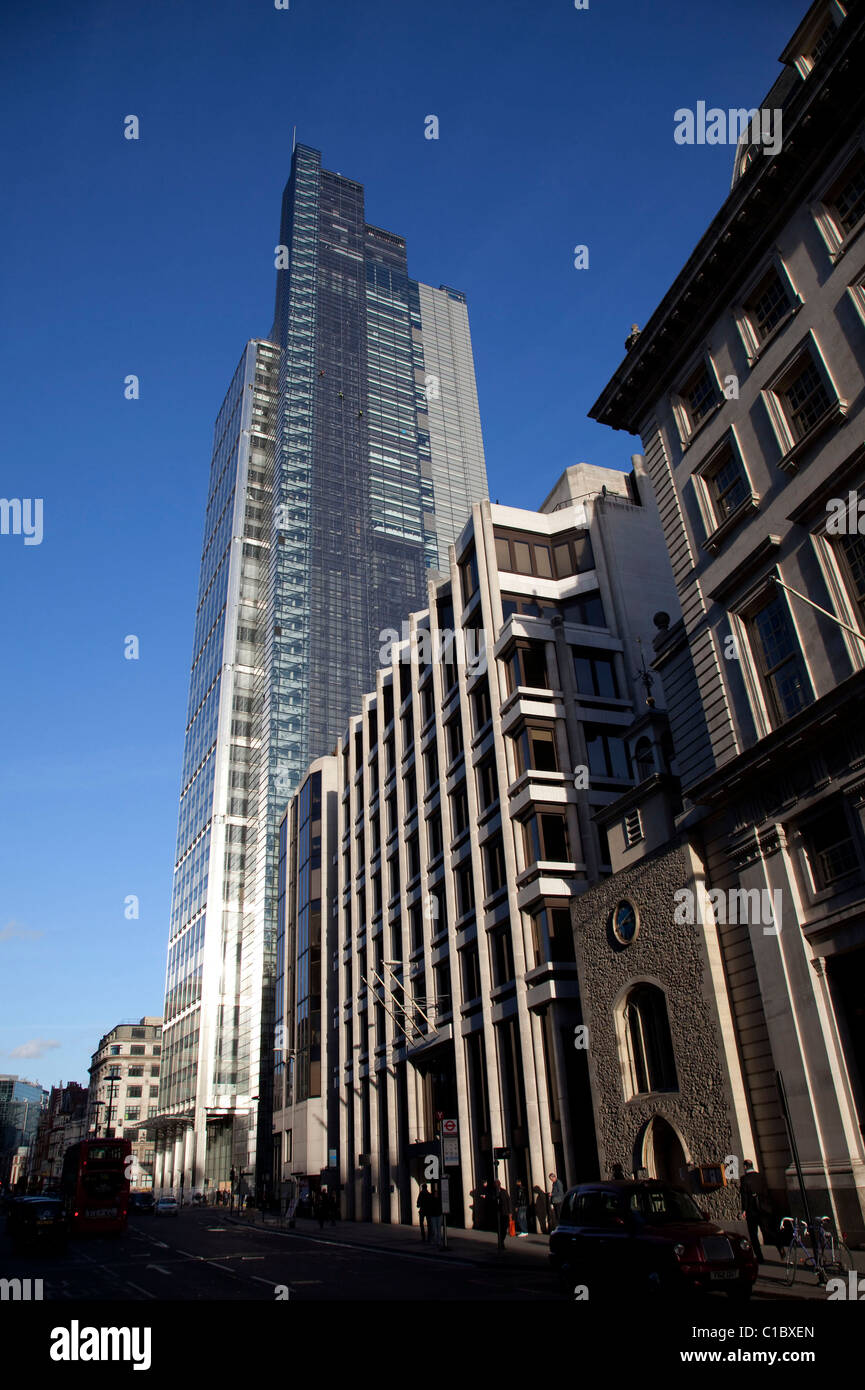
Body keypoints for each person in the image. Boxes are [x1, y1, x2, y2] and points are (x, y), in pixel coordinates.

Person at [739, 1161, 766, 1264]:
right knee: (765, 1229)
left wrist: (744, 1210)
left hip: (751, 1210)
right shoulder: (760, 1176)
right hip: (762, 1208)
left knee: (753, 1234)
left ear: (745, 1167)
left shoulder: (744, 1179)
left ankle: (760, 1257)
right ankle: (779, 1247)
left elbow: (744, 1196)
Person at [495, 1180, 511, 1251]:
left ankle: (501, 1241)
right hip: (498, 1214)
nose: (497, 1185)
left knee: (504, 1229)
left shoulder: (504, 1192)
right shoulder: (494, 1192)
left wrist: (510, 1212)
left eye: (498, 1184)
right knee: (499, 1229)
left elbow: (508, 1201)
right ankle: (501, 1243)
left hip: (505, 1213)